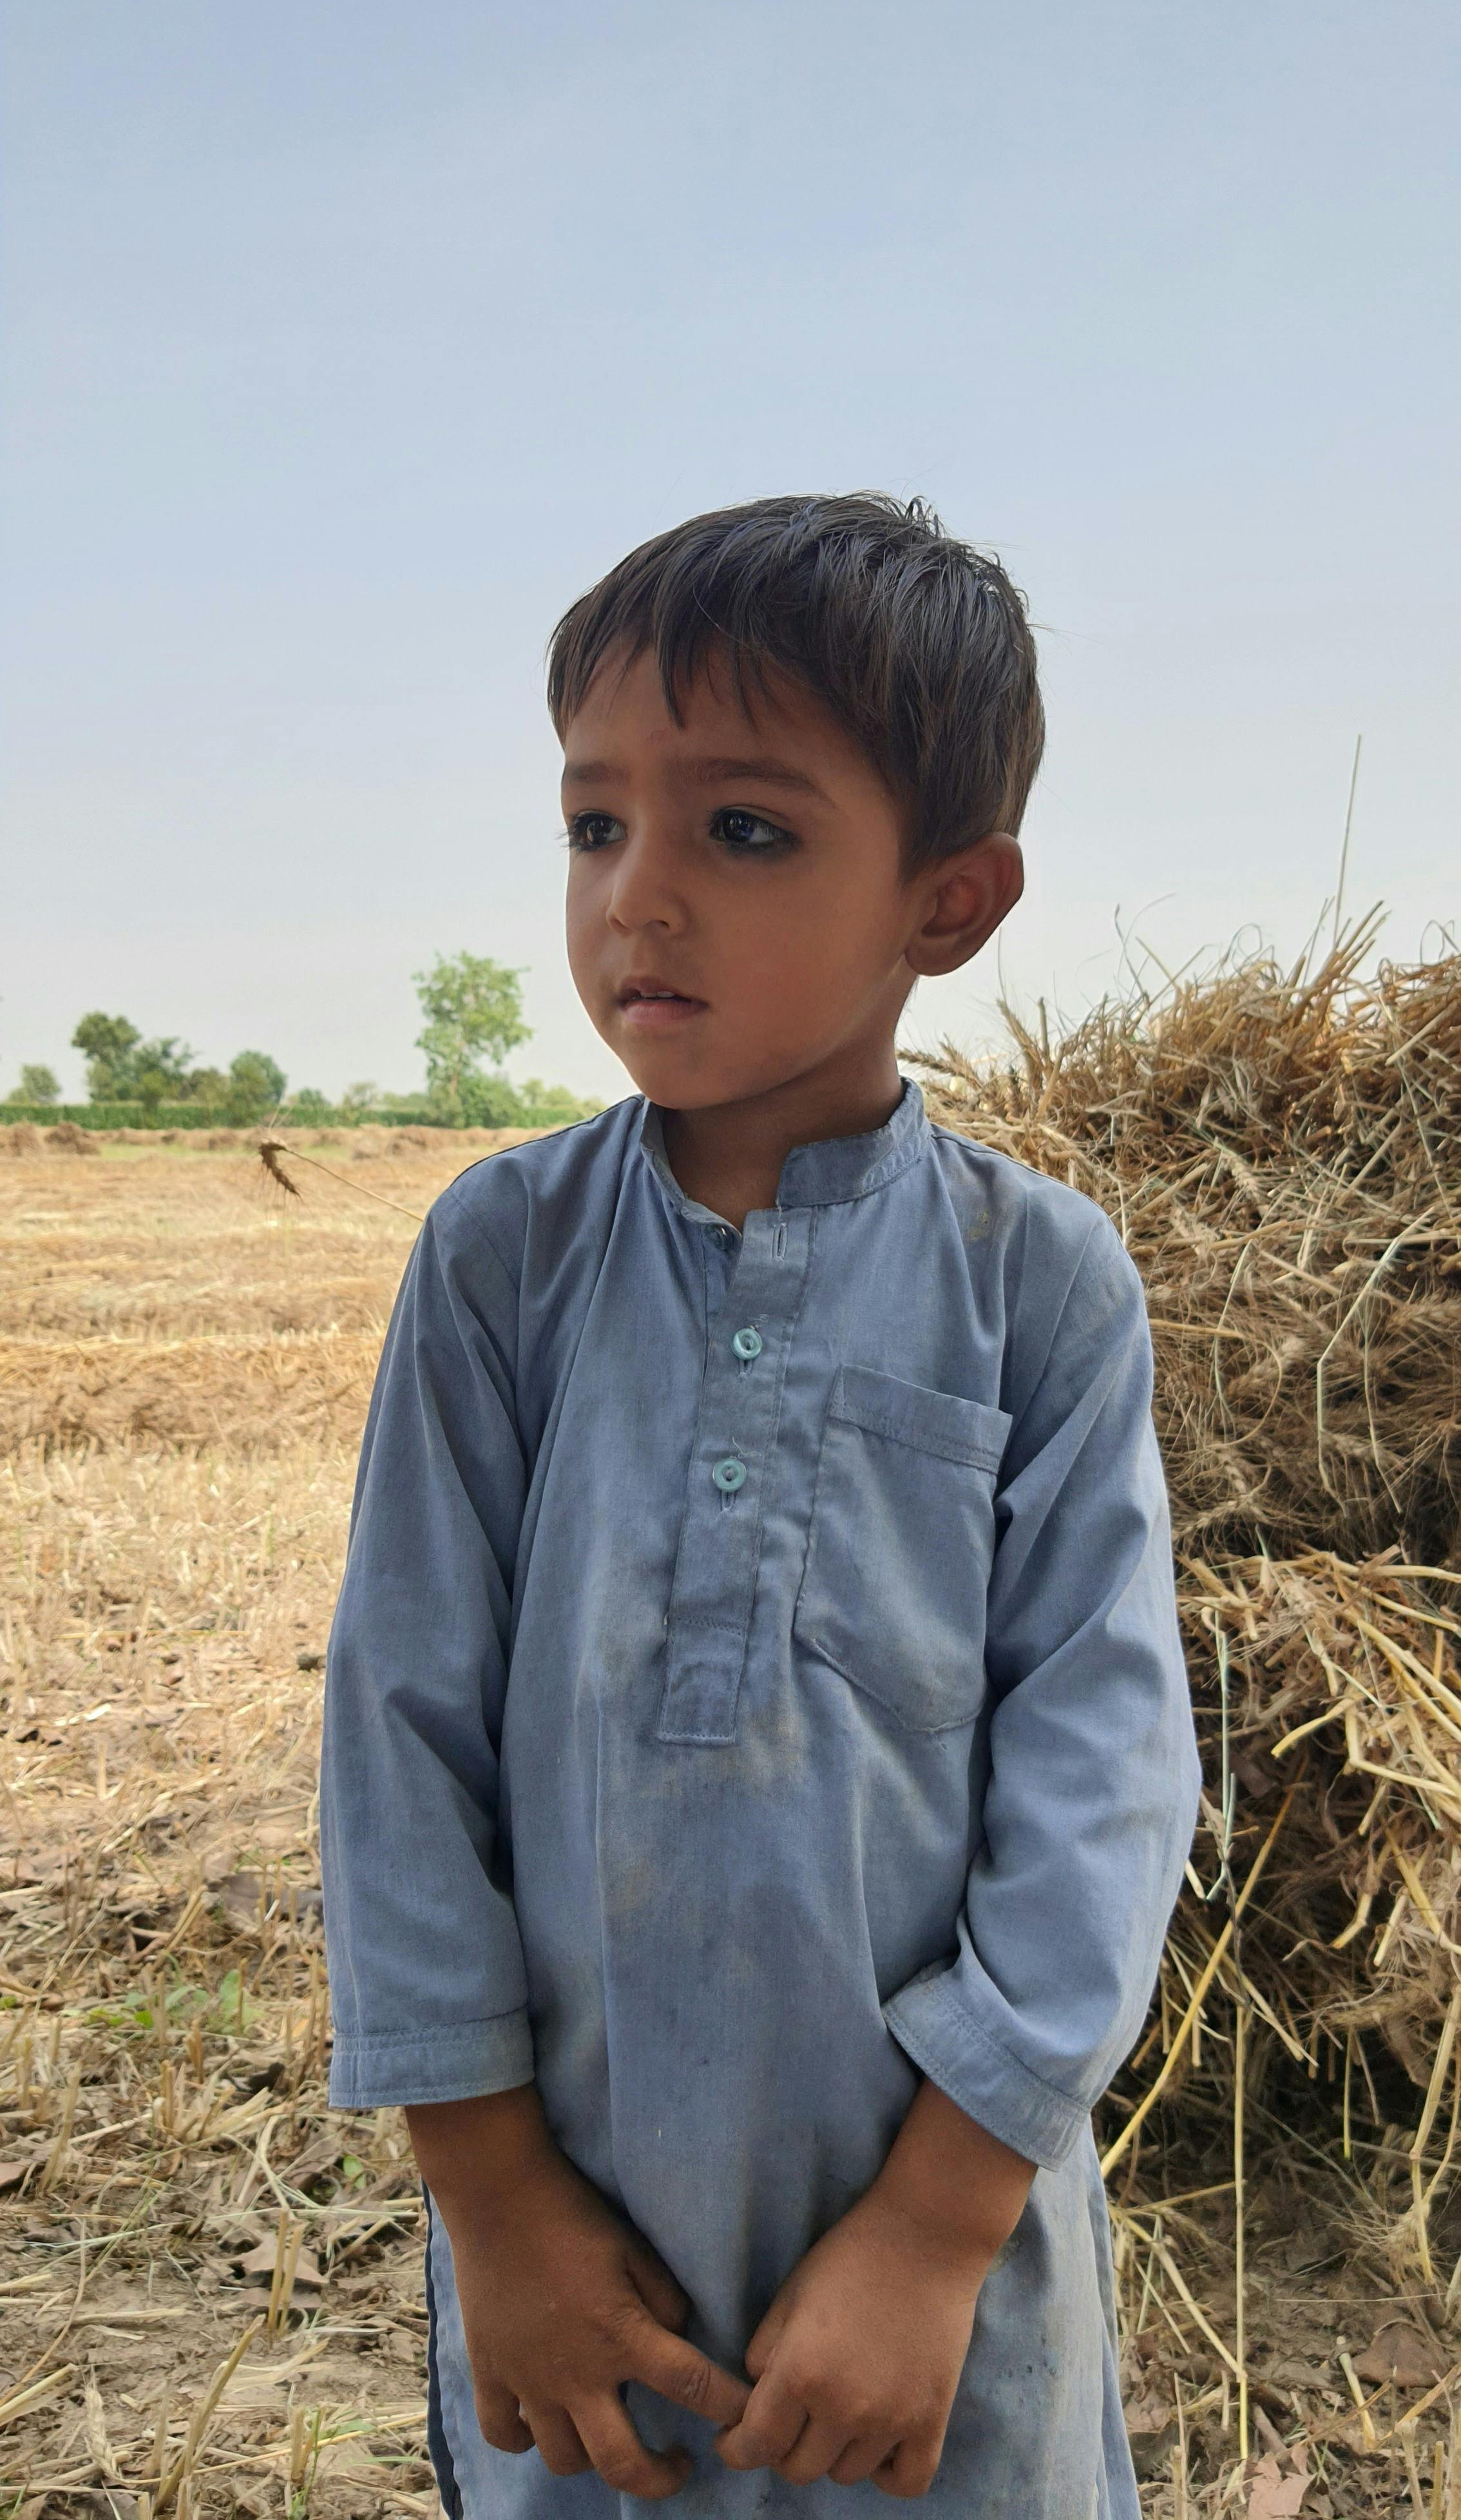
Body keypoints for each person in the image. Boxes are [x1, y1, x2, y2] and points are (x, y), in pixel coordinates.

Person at [320, 492, 1201, 2519]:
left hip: (929, 2269)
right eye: (592, 824)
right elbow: (399, 1730)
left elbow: (1101, 1767)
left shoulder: (1034, 1282)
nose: (638, 896)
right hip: (580, 2240)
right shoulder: (502, 1257)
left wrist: (935, 2228)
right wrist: (496, 2209)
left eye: (742, 830)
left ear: (949, 902)